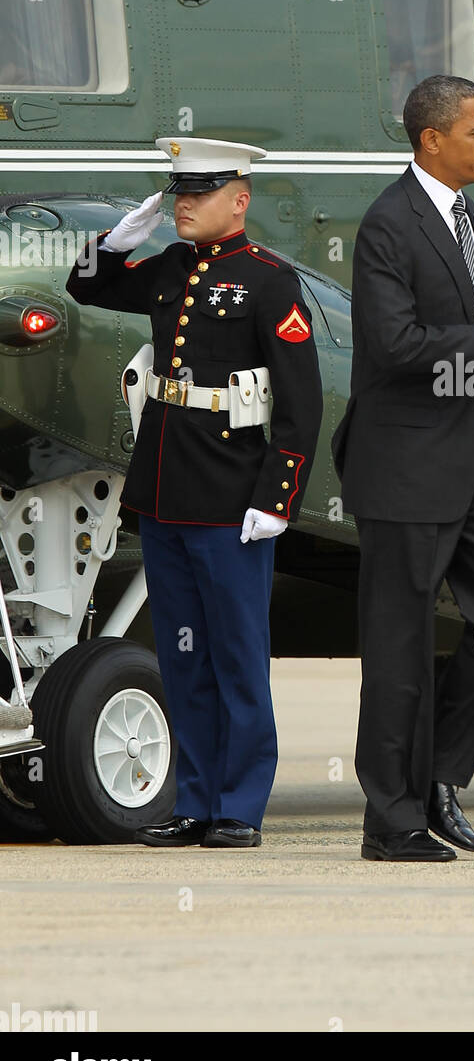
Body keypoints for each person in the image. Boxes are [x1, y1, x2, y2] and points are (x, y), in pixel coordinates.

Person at [67, 137, 322, 848]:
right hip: (165, 492)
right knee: (182, 657)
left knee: (237, 655)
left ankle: (239, 806)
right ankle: (194, 799)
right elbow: (84, 287)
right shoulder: (170, 267)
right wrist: (115, 244)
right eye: (178, 190)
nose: (183, 202)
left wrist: (278, 497)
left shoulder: (269, 281)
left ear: (239, 199)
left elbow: (301, 401)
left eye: (199, 191)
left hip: (232, 499)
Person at [331, 74, 474, 862]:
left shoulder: (461, 214)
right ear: (432, 140)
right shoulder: (390, 224)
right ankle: (391, 819)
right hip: (405, 460)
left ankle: (439, 774)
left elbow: (448, 326)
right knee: (398, 641)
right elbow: (392, 346)